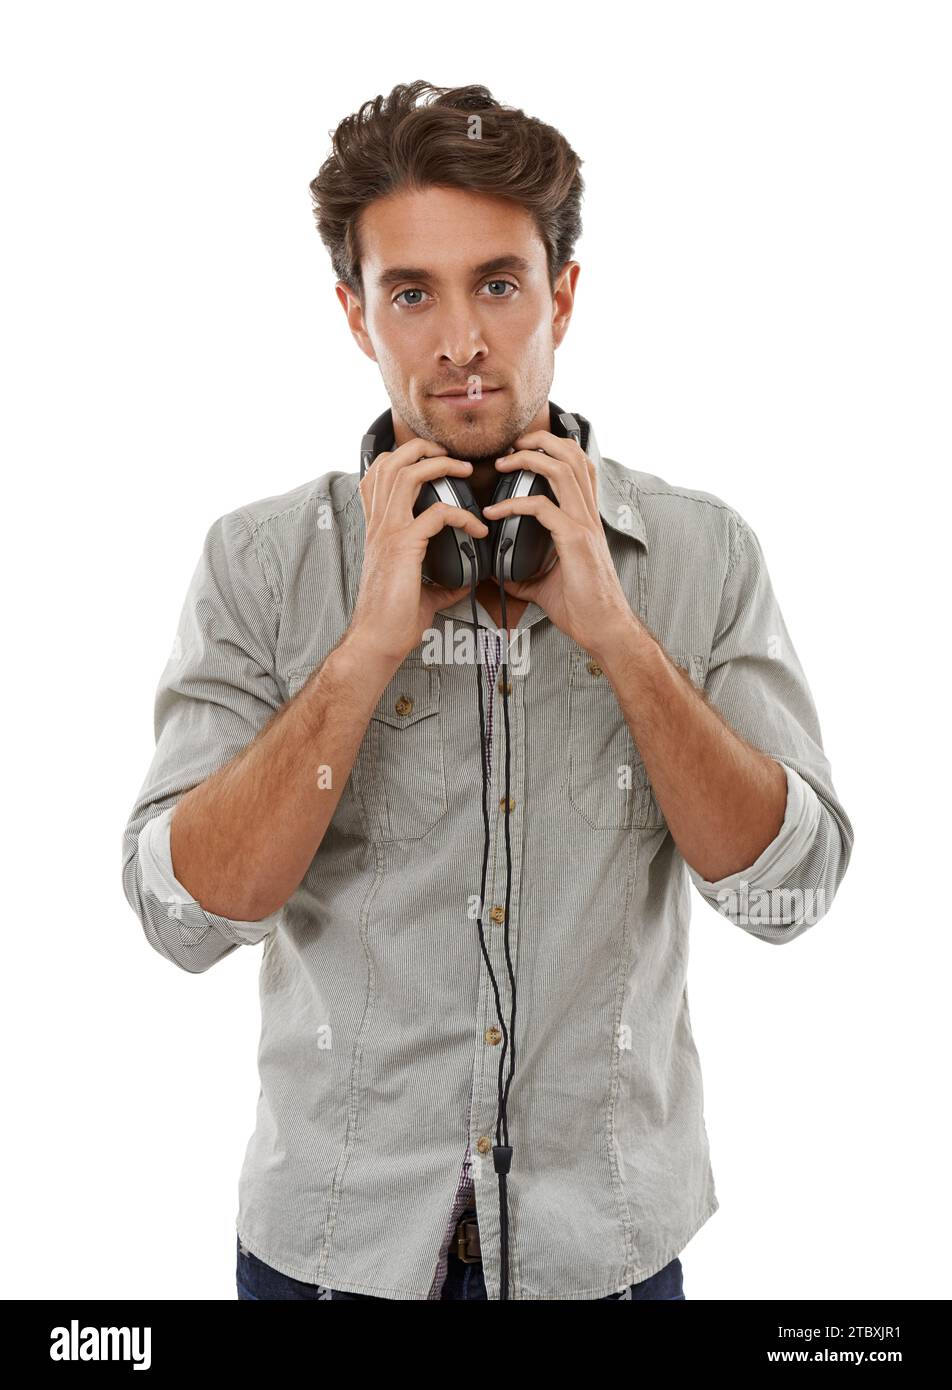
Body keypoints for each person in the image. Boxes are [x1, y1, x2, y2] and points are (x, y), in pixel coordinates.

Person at [121, 81, 854, 1301]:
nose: (459, 337)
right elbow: (184, 920)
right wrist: (360, 652)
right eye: (411, 292)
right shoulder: (257, 566)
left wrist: (617, 635)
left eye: (497, 284)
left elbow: (789, 891)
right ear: (357, 315)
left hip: (606, 1258)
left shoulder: (700, 553)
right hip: (329, 1258)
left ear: (560, 294)